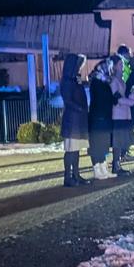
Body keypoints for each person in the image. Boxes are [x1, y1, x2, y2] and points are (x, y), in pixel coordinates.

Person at [59, 53, 91, 187]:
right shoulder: (67, 80)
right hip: (72, 119)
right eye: (79, 64)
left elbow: (80, 93)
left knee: (76, 149)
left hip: (78, 119)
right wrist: (80, 108)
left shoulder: (75, 79)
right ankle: (68, 177)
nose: (80, 67)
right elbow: (68, 100)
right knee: (70, 150)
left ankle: (76, 175)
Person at [87, 58, 116, 181]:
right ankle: (97, 169)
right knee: (96, 145)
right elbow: (101, 99)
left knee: (104, 145)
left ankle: (104, 167)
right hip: (97, 118)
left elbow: (111, 99)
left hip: (105, 118)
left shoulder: (105, 81)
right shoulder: (96, 81)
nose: (110, 70)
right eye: (109, 67)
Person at [109, 54, 134, 175]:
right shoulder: (114, 80)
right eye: (120, 64)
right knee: (117, 142)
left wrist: (131, 97)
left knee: (121, 142)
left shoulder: (121, 80)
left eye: (123, 64)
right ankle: (116, 165)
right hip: (118, 115)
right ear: (114, 66)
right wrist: (130, 102)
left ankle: (118, 163)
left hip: (124, 115)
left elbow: (123, 95)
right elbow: (117, 98)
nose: (122, 66)